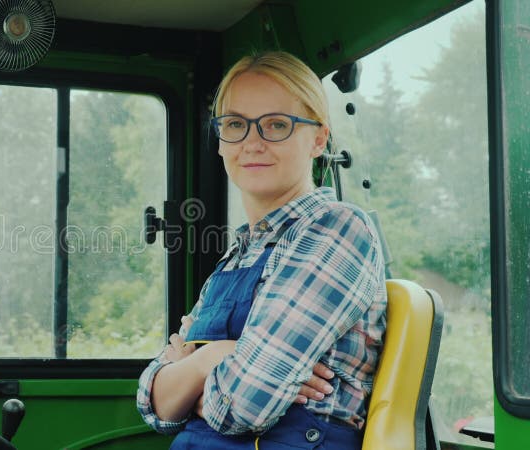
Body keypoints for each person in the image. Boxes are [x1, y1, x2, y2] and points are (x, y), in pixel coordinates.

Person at [136, 51, 387, 449]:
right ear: (220, 140)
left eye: (276, 125)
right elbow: (153, 406)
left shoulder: (335, 230)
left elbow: (243, 406)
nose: (252, 142)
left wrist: (189, 374)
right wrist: (216, 356)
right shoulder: (239, 254)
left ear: (318, 139)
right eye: (235, 124)